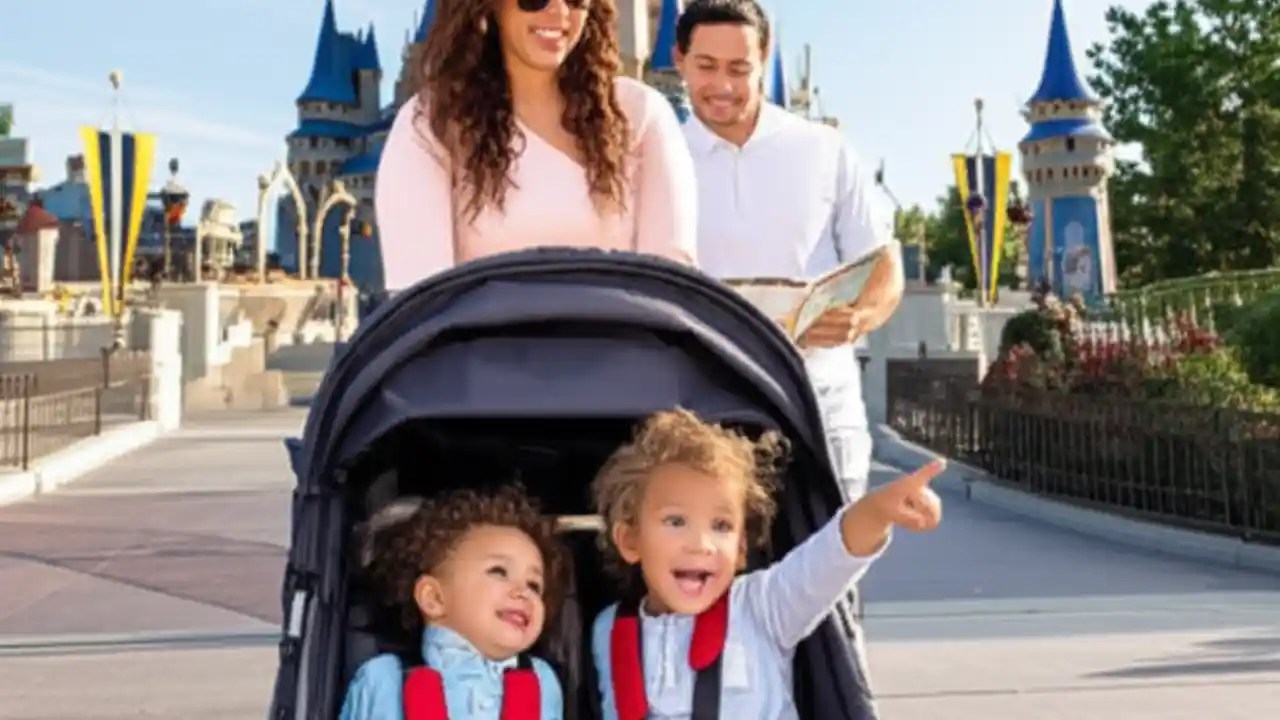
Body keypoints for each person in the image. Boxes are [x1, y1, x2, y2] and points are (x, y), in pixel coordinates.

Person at [673, 1, 903, 713]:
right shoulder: (659, 156)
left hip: (821, 407)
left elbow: (883, 263)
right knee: (711, 594)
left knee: (833, 593)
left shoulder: (823, 149)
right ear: (678, 63)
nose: (723, 85)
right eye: (706, 67)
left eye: (739, 68)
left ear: (764, 61)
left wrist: (861, 316)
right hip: (705, 415)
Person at [588, 409, 943, 719]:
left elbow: (828, 560)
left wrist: (878, 511)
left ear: (741, 549)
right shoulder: (608, 632)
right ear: (630, 541)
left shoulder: (762, 608)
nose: (701, 544)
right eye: (676, 521)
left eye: (721, 526)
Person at [375, 0, 698, 292]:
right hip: (481, 340)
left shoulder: (641, 115)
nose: (558, 12)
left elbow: (670, 283)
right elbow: (421, 297)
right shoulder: (430, 124)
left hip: (622, 337)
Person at [339, 486, 568, 719]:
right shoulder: (384, 679)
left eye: (534, 585)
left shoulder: (542, 684)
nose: (523, 592)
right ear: (434, 598)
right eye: (499, 572)